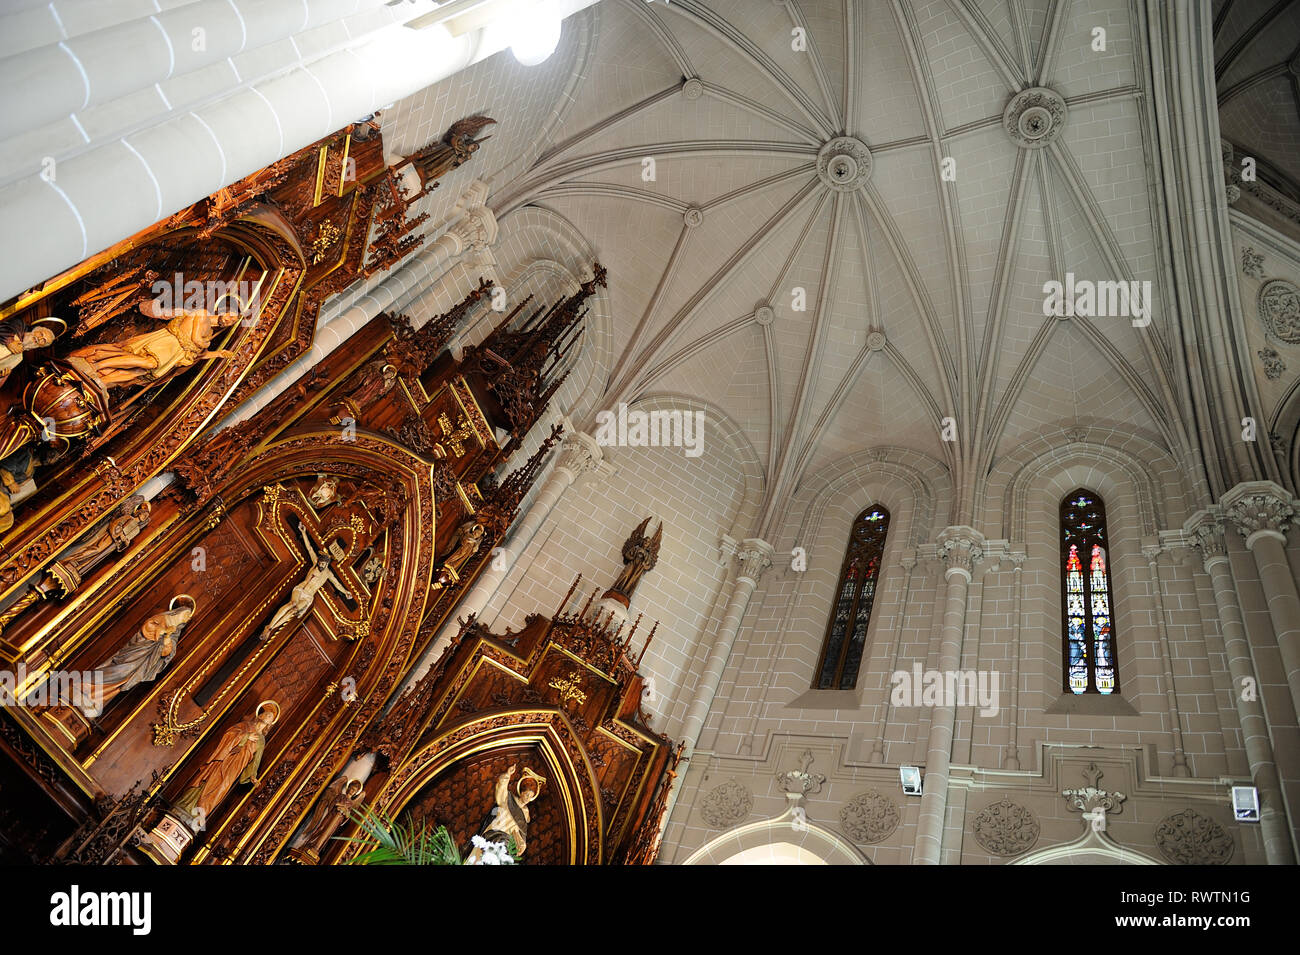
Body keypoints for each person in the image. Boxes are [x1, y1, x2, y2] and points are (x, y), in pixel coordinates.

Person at [173, 700, 279, 830]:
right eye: (267, 714)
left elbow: (256, 760)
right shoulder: (245, 725)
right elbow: (229, 734)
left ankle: (198, 818)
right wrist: (245, 737)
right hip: (225, 757)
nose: (268, 717)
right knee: (208, 778)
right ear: (260, 715)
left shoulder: (262, 740)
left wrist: (253, 775)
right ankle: (185, 806)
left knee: (221, 787)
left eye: (271, 718)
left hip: (237, 766)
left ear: (270, 723)